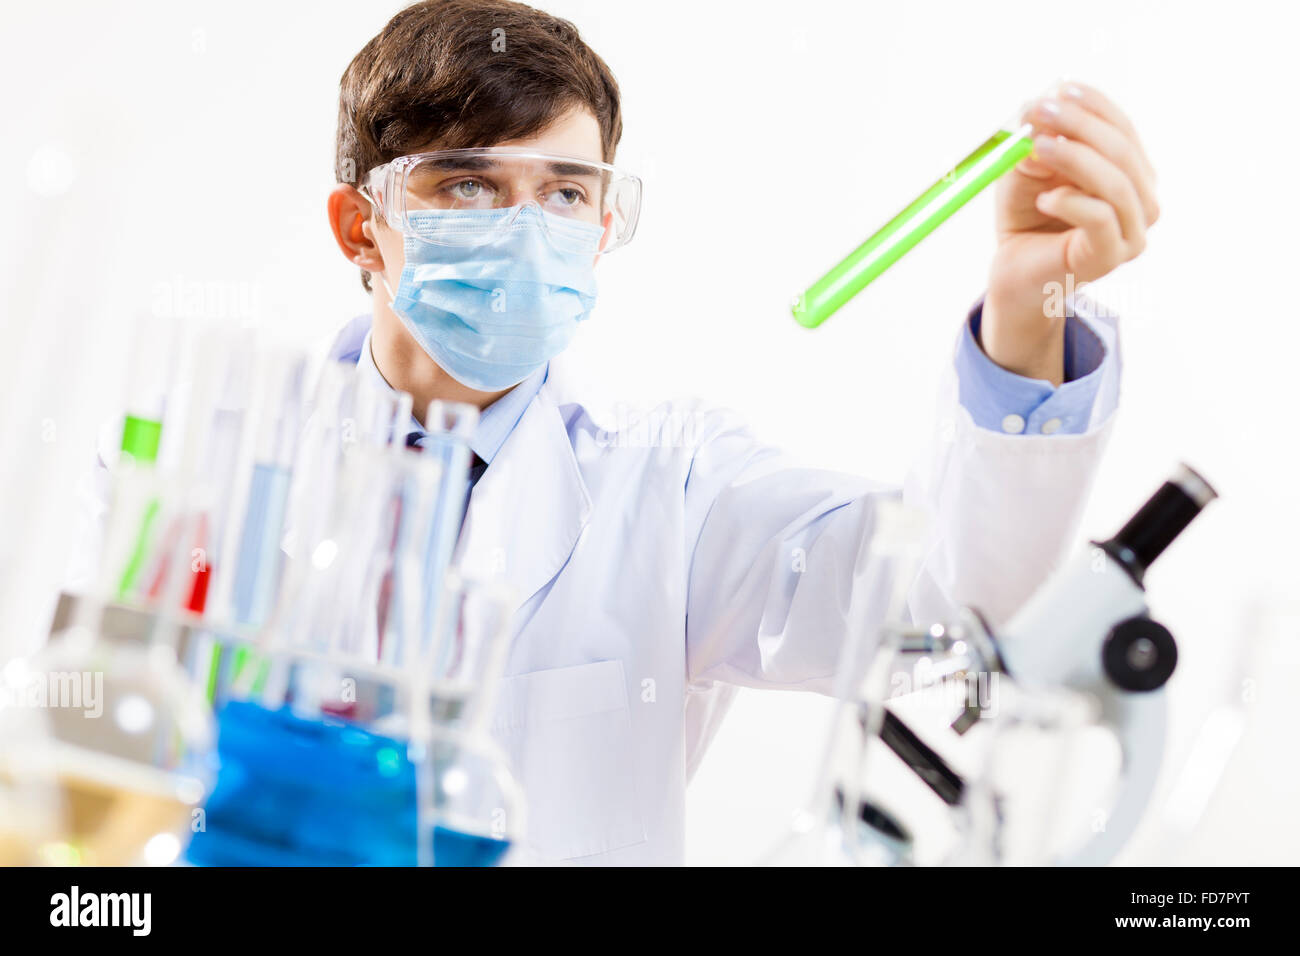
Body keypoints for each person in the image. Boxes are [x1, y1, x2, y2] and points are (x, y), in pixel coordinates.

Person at [88, 0, 1160, 865]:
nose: (523, 226)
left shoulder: (677, 483)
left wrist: (1029, 321)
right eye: (468, 182)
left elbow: (936, 603)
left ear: (603, 227)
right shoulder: (200, 457)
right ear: (361, 226)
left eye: (563, 191)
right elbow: (107, 776)